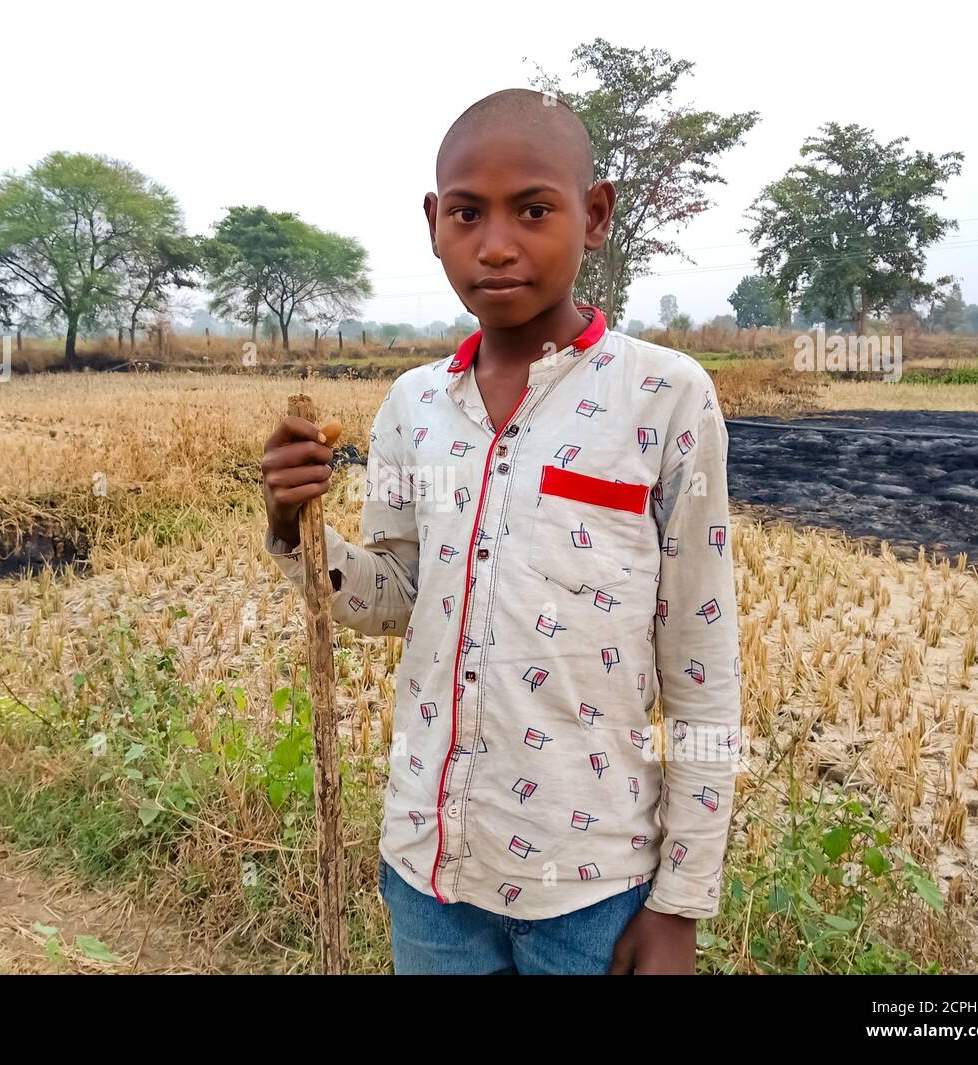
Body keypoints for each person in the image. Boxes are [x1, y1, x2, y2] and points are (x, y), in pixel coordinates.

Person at [260, 87, 741, 975]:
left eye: (534, 209)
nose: (497, 243)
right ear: (434, 221)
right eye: (469, 213)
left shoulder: (665, 397)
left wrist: (681, 901)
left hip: (592, 890)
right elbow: (396, 598)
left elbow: (702, 668)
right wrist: (295, 525)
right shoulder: (415, 403)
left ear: (593, 216)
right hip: (429, 872)